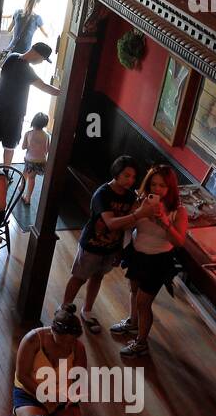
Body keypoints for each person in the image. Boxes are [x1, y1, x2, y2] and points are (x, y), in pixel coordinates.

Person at [61, 155, 153, 335]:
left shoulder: (130, 196)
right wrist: (138, 214)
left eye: (134, 177)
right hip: (91, 244)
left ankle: (87, 311)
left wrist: (121, 248)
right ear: (116, 173)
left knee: (98, 277)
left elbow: (126, 225)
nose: (131, 180)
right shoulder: (102, 194)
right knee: (79, 276)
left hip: (112, 247)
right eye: (127, 175)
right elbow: (111, 223)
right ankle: (64, 308)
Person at [110, 164, 188, 358]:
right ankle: (132, 322)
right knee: (134, 291)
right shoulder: (141, 201)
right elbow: (127, 225)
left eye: (162, 185)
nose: (156, 189)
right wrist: (140, 213)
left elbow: (179, 242)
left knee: (144, 302)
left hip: (159, 261)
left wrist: (164, 222)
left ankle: (141, 342)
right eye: (153, 184)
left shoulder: (178, 211)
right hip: (137, 254)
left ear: (170, 188)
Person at [0, 42, 59, 167]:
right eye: (42, 59)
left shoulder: (12, 57)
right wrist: (64, 93)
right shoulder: (26, 70)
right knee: (10, 146)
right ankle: (7, 172)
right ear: (37, 54)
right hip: (15, 112)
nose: (41, 62)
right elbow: (45, 87)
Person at [20, 112, 51, 206]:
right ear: (45, 124)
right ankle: (22, 186)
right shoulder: (47, 135)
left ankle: (27, 197)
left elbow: (23, 147)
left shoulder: (28, 133)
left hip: (30, 160)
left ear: (33, 121)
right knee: (30, 175)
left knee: (29, 176)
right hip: (41, 161)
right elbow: (48, 149)